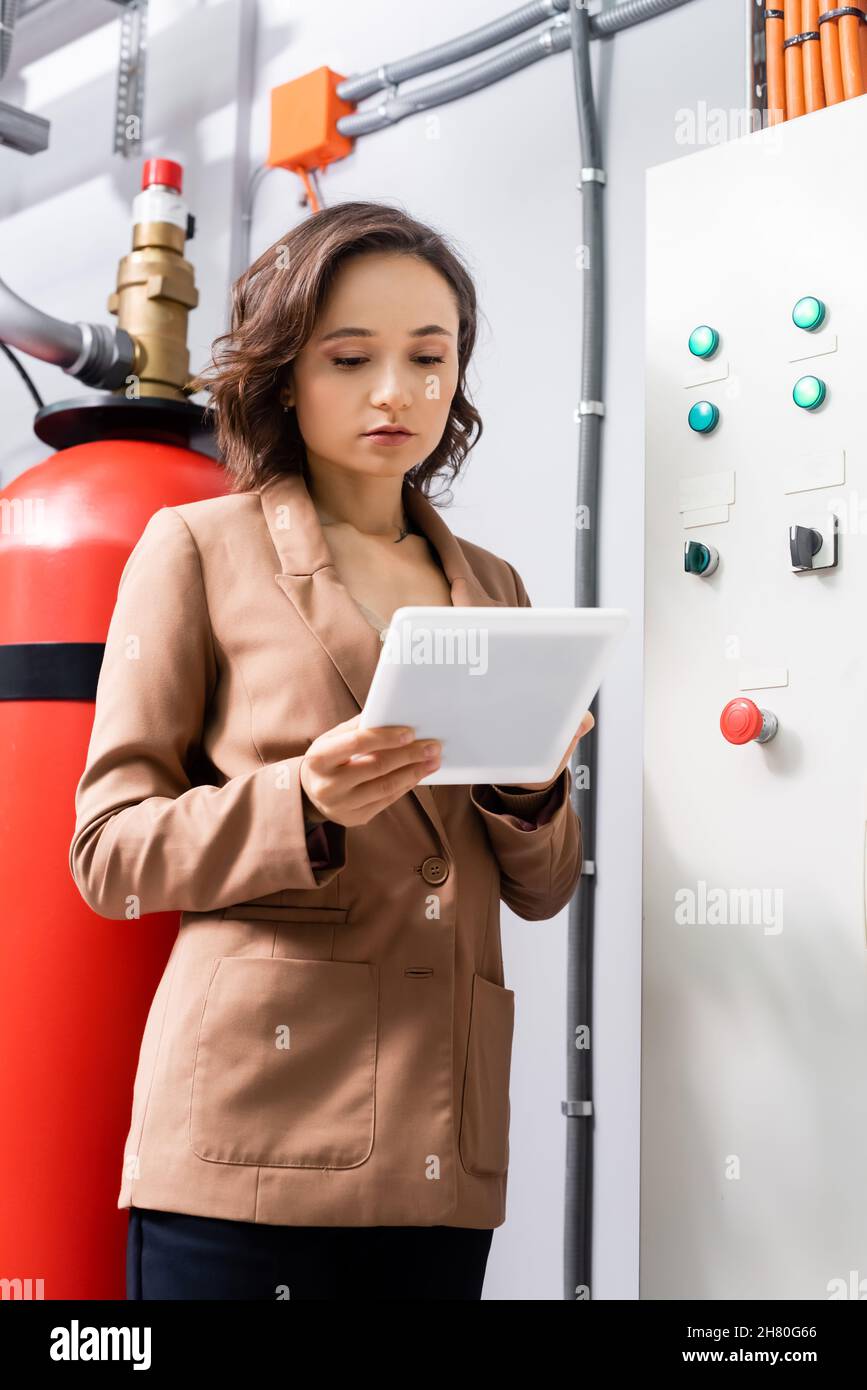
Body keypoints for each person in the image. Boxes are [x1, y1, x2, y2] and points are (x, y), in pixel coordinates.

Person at [70, 200, 593, 1300]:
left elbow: (541, 892)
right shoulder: (198, 549)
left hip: (441, 1144)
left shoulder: (495, 587)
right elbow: (110, 853)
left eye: (428, 357)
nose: (395, 392)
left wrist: (532, 790)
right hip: (252, 1131)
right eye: (351, 358)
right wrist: (303, 800)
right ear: (285, 372)